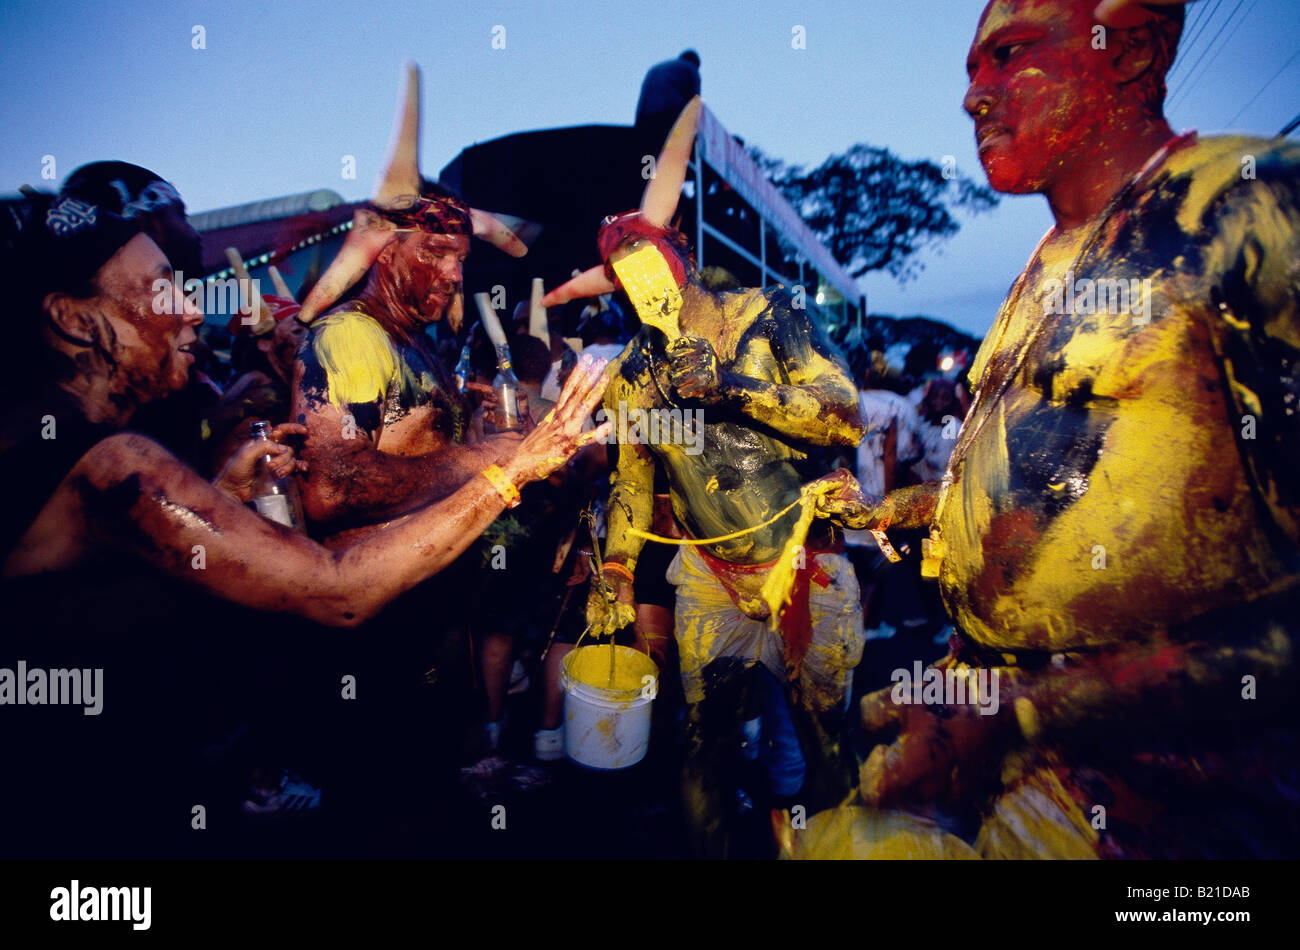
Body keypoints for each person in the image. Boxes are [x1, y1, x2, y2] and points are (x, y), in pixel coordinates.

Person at [803, 0, 1300, 859]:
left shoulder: (1245, 202)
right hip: (988, 727)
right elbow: (1055, 477)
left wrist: (1033, 710)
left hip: (1173, 807)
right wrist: (907, 509)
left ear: (1131, 47)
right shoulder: (1048, 262)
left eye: (1011, 55)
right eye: (970, 70)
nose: (974, 96)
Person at [0, 189, 611, 854]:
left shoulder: (60, 445)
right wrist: (509, 468)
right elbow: (335, 582)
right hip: (89, 815)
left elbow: (103, 577)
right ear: (72, 318)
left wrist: (215, 494)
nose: (193, 309)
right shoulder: (114, 466)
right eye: (161, 289)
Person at [544, 98, 870, 855]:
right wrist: (619, 568)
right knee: (704, 744)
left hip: (806, 567)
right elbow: (630, 484)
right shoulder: (631, 375)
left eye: (648, 268)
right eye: (623, 283)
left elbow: (843, 414)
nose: (641, 293)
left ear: (678, 256)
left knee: (825, 744)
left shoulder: (770, 313)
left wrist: (732, 388)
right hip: (708, 578)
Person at [291, 62, 535, 536]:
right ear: (385, 251)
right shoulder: (349, 336)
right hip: (377, 601)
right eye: (435, 252)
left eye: (461, 258)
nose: (454, 273)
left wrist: (478, 427)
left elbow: (414, 454)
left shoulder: (410, 341)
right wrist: (479, 458)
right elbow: (332, 488)